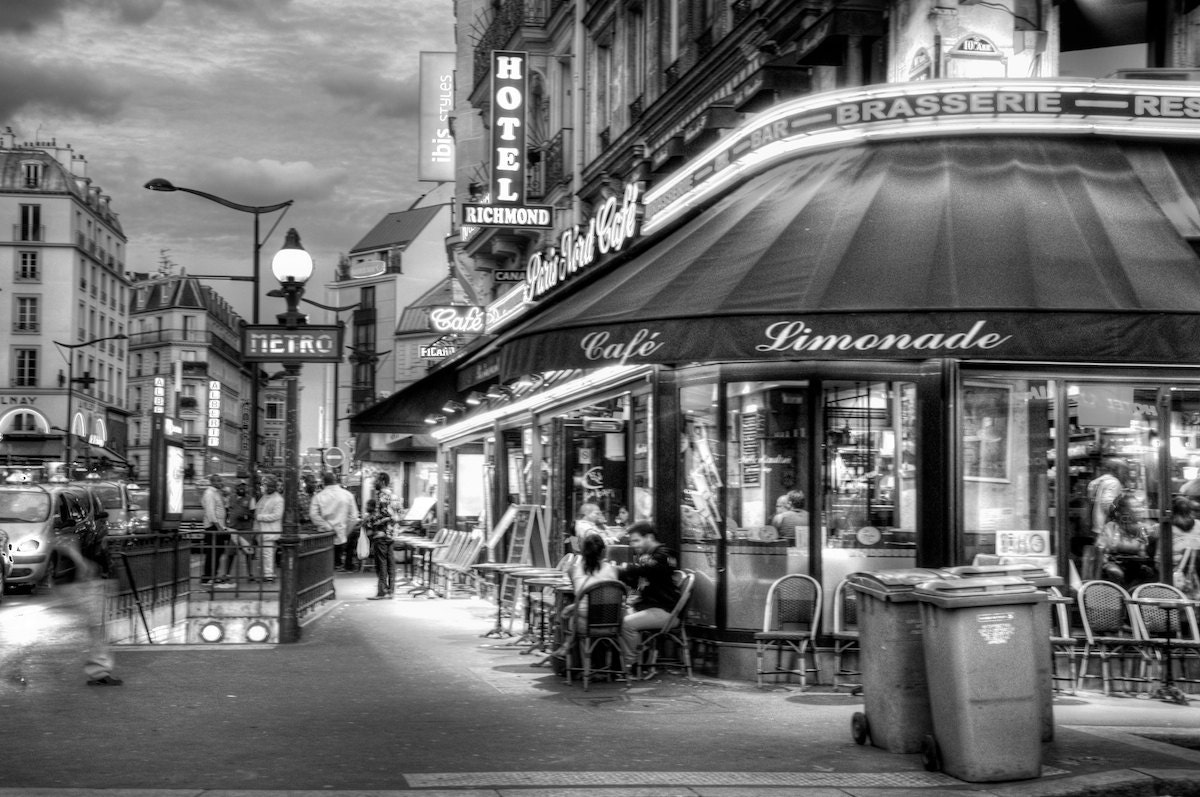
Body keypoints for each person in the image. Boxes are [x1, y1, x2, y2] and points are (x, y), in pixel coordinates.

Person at [57, 535, 122, 686]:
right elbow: (66, 542)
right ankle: (99, 671)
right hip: (89, 580)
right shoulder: (82, 531)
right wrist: (81, 562)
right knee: (98, 627)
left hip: (92, 578)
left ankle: (99, 670)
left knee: (98, 628)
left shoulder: (87, 531)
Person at [617, 521, 681, 672]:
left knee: (626, 624)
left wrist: (621, 569)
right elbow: (638, 580)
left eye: (636, 540)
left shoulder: (665, 554)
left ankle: (632, 664)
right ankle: (637, 657)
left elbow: (647, 570)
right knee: (614, 617)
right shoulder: (646, 556)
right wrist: (632, 596)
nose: (633, 545)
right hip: (648, 607)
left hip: (665, 611)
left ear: (649, 537)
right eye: (631, 541)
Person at [1095, 492, 1158, 588]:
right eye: (1135, 507)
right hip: (1115, 569)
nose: (1140, 510)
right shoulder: (1112, 527)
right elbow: (1100, 550)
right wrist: (1107, 564)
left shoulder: (1143, 528)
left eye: (1140, 507)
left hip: (1137, 571)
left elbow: (1145, 549)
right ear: (1125, 511)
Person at [309, 471, 360, 571]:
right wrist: (345, 532)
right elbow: (354, 517)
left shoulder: (318, 497)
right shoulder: (348, 495)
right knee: (336, 564)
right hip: (341, 537)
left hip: (324, 537)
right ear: (336, 481)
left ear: (323, 482)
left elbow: (313, 515)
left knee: (324, 567)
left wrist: (327, 526)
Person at [201, 474, 234, 588]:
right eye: (218, 481)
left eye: (221, 481)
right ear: (212, 482)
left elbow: (224, 506)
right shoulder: (209, 493)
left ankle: (213, 575)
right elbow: (210, 512)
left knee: (218, 551)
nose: (221, 483)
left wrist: (225, 495)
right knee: (213, 552)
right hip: (213, 526)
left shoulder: (216, 492)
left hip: (219, 525)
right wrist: (218, 527)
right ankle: (208, 577)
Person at [362, 498, 396, 599]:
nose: (366, 507)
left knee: (382, 565)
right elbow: (393, 520)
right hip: (389, 538)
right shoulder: (387, 512)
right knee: (390, 564)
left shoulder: (373, 516)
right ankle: (391, 591)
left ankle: (382, 591)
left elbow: (368, 530)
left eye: (367, 505)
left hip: (380, 540)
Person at [253, 474, 284, 582]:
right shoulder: (264, 496)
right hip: (262, 530)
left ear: (270, 486)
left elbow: (277, 515)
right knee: (263, 554)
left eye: (264, 484)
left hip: (270, 531)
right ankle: (264, 574)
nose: (262, 487)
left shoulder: (278, 499)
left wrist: (260, 517)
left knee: (268, 554)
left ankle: (268, 575)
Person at [1087, 458, 1127, 539]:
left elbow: (1091, 498)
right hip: (1108, 528)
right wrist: (1121, 500)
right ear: (1116, 469)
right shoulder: (1113, 482)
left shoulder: (1099, 481)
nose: (1124, 473)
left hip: (1098, 525)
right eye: (1123, 470)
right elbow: (1108, 506)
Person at [1171, 494, 1200, 599]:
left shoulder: (1166, 527)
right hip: (1195, 577)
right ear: (1190, 510)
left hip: (1175, 580)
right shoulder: (1198, 525)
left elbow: (1159, 561)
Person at [225, 482, 256, 580]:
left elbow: (253, 514)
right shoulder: (231, 498)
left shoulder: (250, 499)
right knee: (230, 552)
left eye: (243, 486)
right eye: (239, 486)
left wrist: (245, 516)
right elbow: (227, 511)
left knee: (248, 552)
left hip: (245, 529)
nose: (241, 488)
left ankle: (250, 574)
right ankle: (227, 574)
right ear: (236, 488)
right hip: (233, 529)